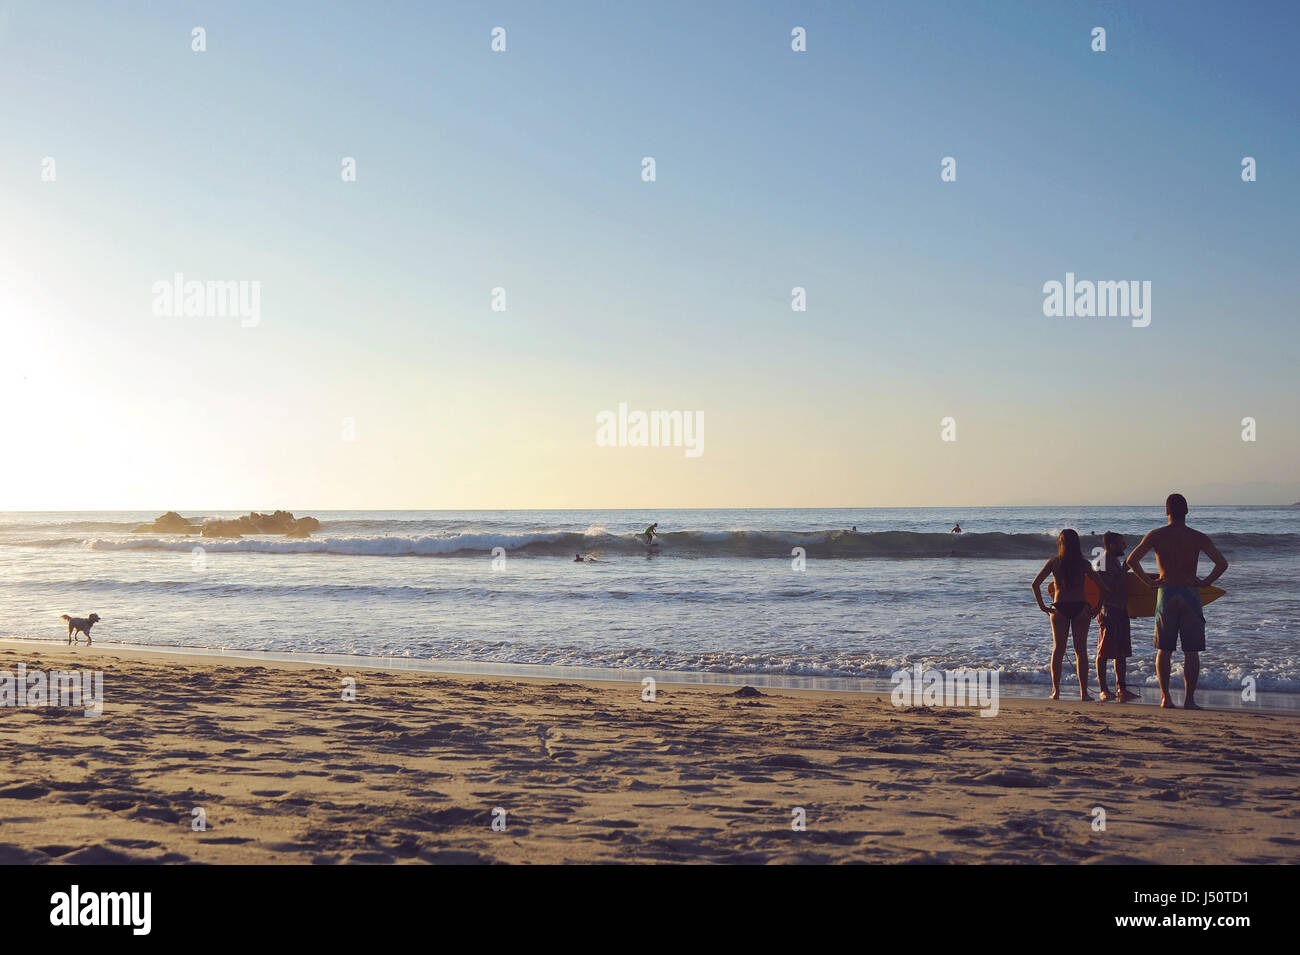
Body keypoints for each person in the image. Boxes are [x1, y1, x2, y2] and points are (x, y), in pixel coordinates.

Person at [1126, 493, 1228, 710]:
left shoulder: (1156, 535)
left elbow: (1131, 560)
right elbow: (1222, 563)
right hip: (1191, 594)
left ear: (1166, 512)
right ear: (1187, 511)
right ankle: (1189, 700)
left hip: (1167, 593)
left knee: (1164, 649)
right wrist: (1206, 582)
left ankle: (1166, 698)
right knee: (1191, 651)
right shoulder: (1198, 537)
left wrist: (1148, 583)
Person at [1032, 529, 1108, 701]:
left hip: (1059, 608)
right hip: (1081, 608)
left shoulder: (1054, 562)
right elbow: (1103, 588)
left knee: (1058, 650)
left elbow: (1035, 584)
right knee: (1080, 651)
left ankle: (1056, 692)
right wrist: (1096, 608)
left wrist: (1043, 607)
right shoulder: (1083, 564)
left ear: (1061, 544)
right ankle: (1084, 693)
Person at [1095, 533, 1138, 702]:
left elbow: (1120, 588)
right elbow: (1106, 589)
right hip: (1108, 611)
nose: (1125, 546)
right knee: (1104, 652)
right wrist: (1124, 571)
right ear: (1112, 545)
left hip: (1120, 611)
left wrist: (1132, 608)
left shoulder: (1114, 561)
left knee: (1121, 653)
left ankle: (1122, 689)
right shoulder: (1103, 562)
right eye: (1122, 543)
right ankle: (1103, 690)